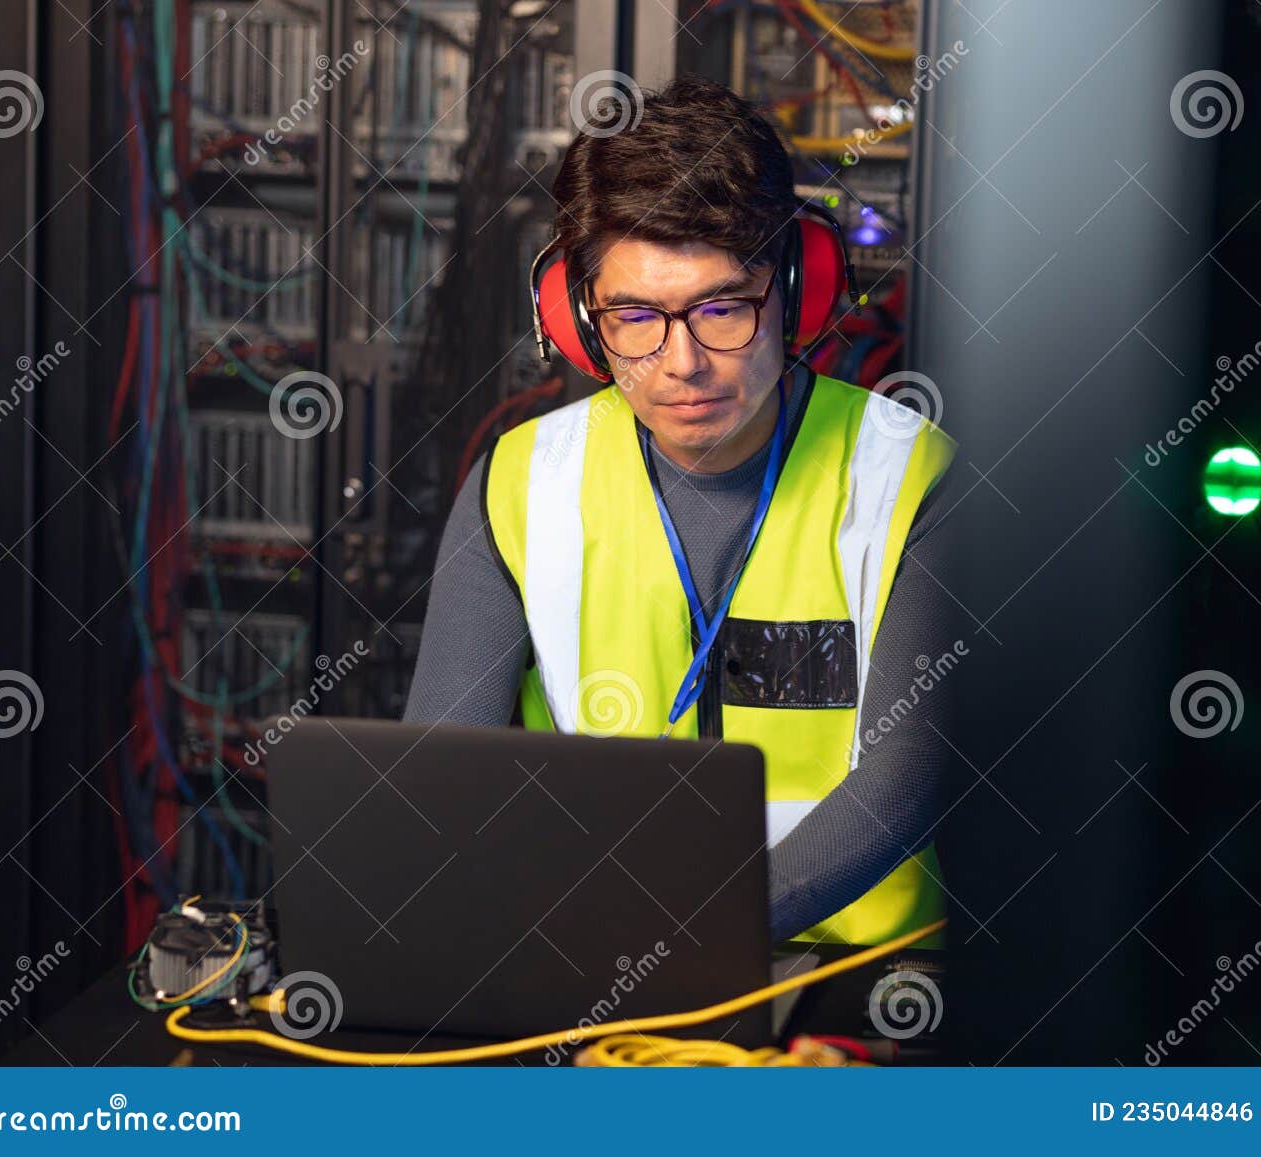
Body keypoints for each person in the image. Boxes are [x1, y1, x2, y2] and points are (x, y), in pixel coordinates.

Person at [405, 74, 961, 945]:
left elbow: (910, 782)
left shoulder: (912, 478)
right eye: (634, 316)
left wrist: (679, 937)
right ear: (579, 321)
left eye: (721, 307)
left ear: (796, 289)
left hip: (850, 999)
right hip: (593, 982)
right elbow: (435, 785)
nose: (681, 362)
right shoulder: (518, 483)